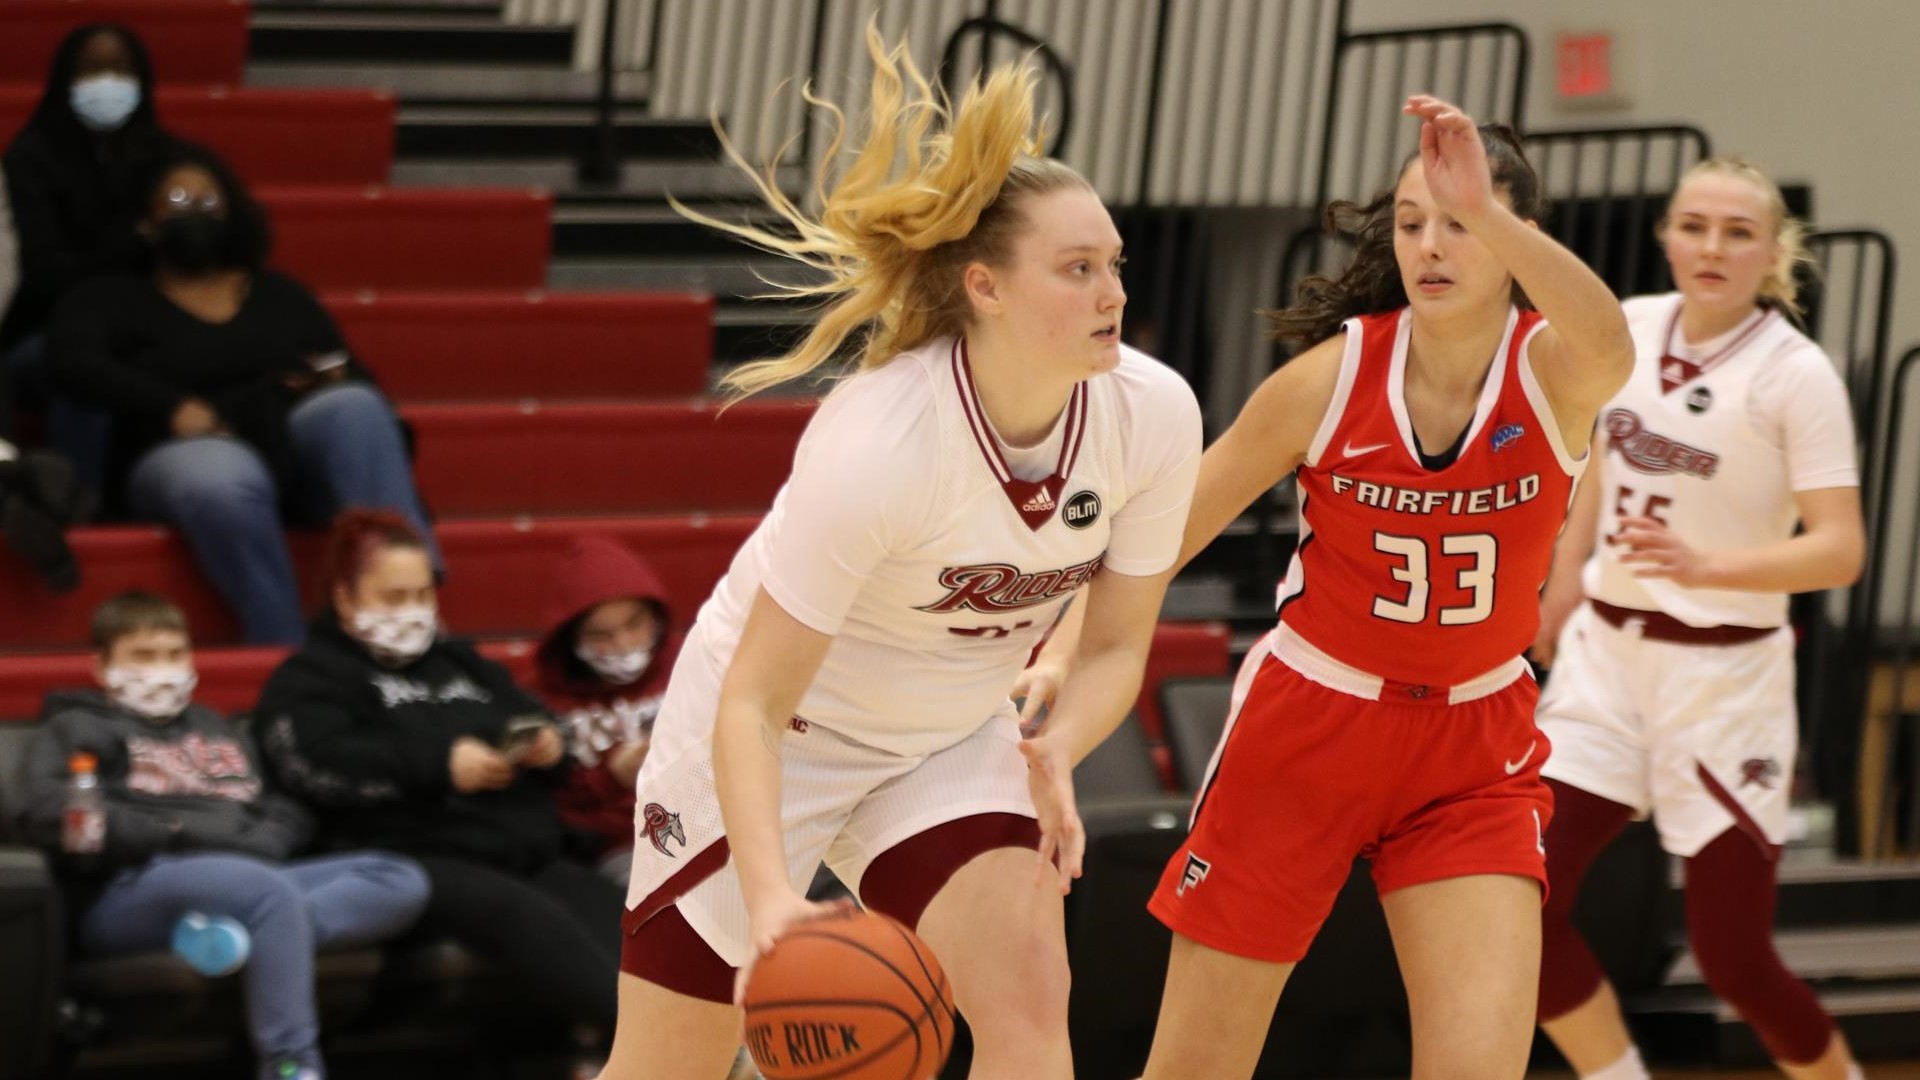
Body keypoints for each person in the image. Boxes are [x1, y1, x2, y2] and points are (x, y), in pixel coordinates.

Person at [597, 26, 1202, 1080]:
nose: (1111, 292)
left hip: (945, 742)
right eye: (1076, 268)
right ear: (986, 288)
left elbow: (1112, 650)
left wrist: (1053, 753)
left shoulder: (1153, 414)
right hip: (775, 742)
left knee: (1026, 1003)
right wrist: (780, 897)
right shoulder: (881, 439)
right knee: (666, 1069)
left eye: (1113, 264)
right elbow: (751, 703)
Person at [1026, 97, 1635, 1079]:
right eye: (1410, 222)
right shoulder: (1329, 381)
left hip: (1473, 748)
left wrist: (1496, 215)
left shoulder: (1556, 371)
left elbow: (1614, 344)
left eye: (1458, 222)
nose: (1431, 245)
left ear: (1512, 237)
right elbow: (1164, 536)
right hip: (1310, 729)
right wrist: (1057, 649)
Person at [1529, 159, 1867, 1080]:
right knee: (1520, 901)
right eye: (1694, 225)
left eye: (1737, 231)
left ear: (1772, 252)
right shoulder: (1628, 328)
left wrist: (1707, 565)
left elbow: (1839, 549)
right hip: (1605, 661)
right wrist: (1563, 575)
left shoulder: (1798, 376)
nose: (1712, 247)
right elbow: (1596, 459)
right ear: (1667, 234)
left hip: (1725, 677)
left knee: (1734, 959)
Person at [16, 590, 431, 1080]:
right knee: (264, 892)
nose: (162, 669)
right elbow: (46, 809)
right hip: (131, 885)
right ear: (102, 666)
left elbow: (285, 801)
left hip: (249, 874)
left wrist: (271, 840)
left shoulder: (218, 728)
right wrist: (172, 831)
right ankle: (290, 1067)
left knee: (398, 878)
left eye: (175, 654)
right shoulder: (74, 727)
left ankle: (242, 935)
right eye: (143, 656)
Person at [45, 143, 439, 644]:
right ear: (146, 222)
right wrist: (169, 406)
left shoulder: (280, 294)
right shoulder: (109, 298)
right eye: (180, 200)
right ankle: (286, 647)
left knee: (355, 408)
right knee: (222, 474)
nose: (196, 212)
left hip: (286, 444)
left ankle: (407, 602)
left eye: (209, 201)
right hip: (176, 451)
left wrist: (328, 384)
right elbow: (71, 363)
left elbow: (350, 370)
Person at [255, 510, 622, 1036]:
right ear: (344, 598)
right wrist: (438, 764)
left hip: (519, 847)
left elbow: (538, 720)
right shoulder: (310, 678)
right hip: (408, 857)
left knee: (620, 916)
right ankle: (661, 1056)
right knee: (525, 916)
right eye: (394, 597)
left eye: (424, 595)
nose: (414, 612)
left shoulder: (462, 664)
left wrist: (545, 744)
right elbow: (314, 765)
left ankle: (697, 1040)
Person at [3, 23, 182, 493]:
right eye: (93, 69)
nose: (107, 81)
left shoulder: (167, 158)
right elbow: (44, 277)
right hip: (49, 331)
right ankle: (73, 505)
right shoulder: (30, 157)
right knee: (83, 363)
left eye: (119, 68)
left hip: (151, 325)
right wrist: (134, 240)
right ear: (66, 77)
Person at [534, 534, 676, 885]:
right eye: (601, 635)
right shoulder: (540, 700)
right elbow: (548, 809)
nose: (624, 645)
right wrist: (610, 778)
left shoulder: (693, 665)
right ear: (571, 640)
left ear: (656, 617)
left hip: (722, 827)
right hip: (621, 849)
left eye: (634, 624)